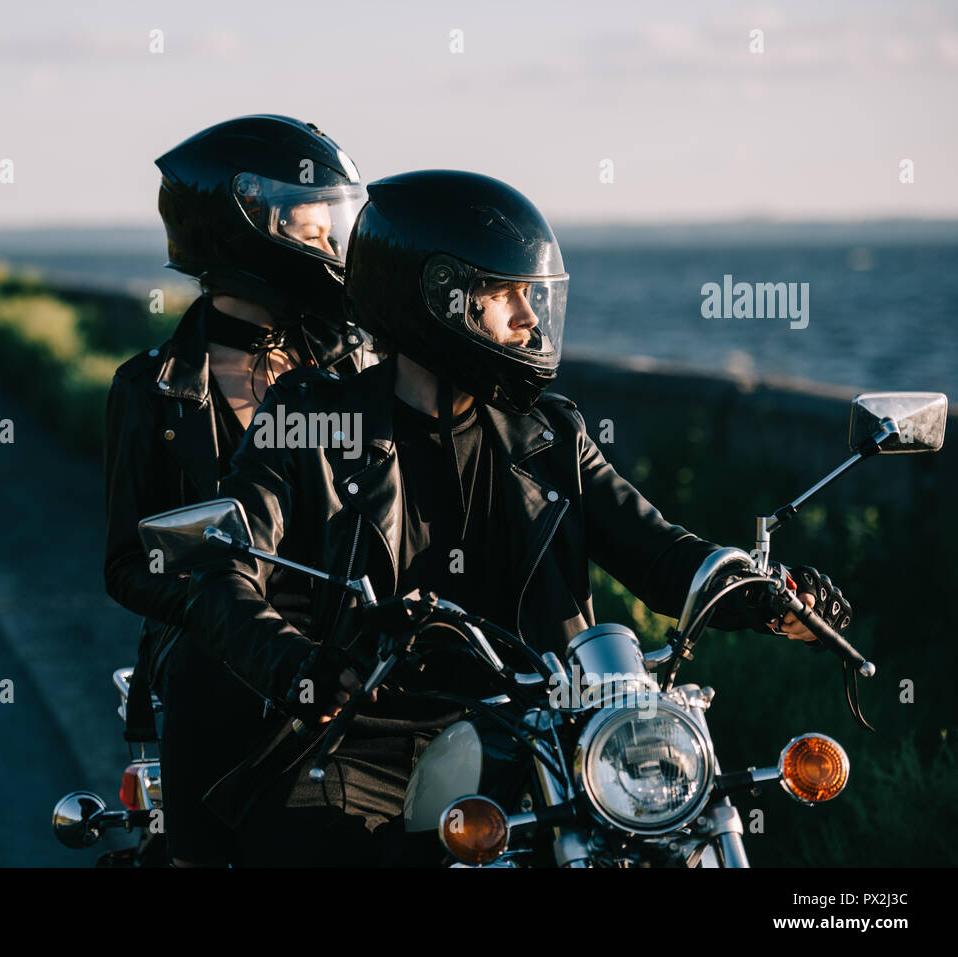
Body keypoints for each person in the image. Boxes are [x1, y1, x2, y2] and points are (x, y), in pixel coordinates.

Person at [183, 169, 852, 867]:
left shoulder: (550, 437)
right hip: (364, 737)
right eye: (507, 296)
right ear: (439, 298)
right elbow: (223, 570)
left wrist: (764, 595)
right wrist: (300, 667)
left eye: (533, 297)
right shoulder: (310, 421)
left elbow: (659, 550)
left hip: (537, 734)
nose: (530, 319)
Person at [102, 115, 373, 867]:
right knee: (203, 668)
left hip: (348, 630)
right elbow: (125, 562)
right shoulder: (152, 389)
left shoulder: (356, 371)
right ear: (247, 227)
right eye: (313, 229)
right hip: (214, 648)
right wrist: (220, 605)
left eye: (334, 227)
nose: (331, 245)